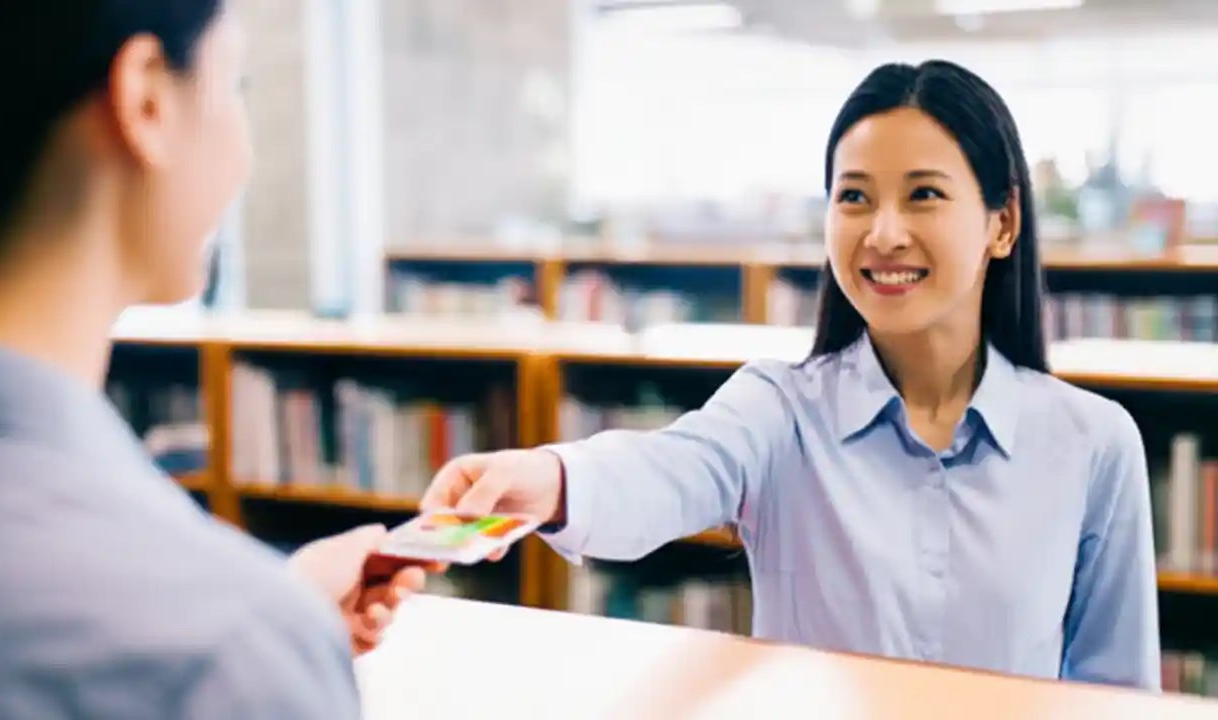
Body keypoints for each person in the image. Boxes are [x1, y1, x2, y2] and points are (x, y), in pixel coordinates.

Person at [423, 60, 1161, 690]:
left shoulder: (1093, 445)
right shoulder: (779, 411)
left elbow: (1120, 696)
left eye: (924, 194)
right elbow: (664, 470)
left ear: (1003, 222)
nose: (883, 233)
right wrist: (548, 481)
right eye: (855, 196)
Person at [0, 2, 433, 717]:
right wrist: (265, 634)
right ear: (145, 100)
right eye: (235, 85)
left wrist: (274, 602)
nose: (245, 155)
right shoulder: (223, 651)